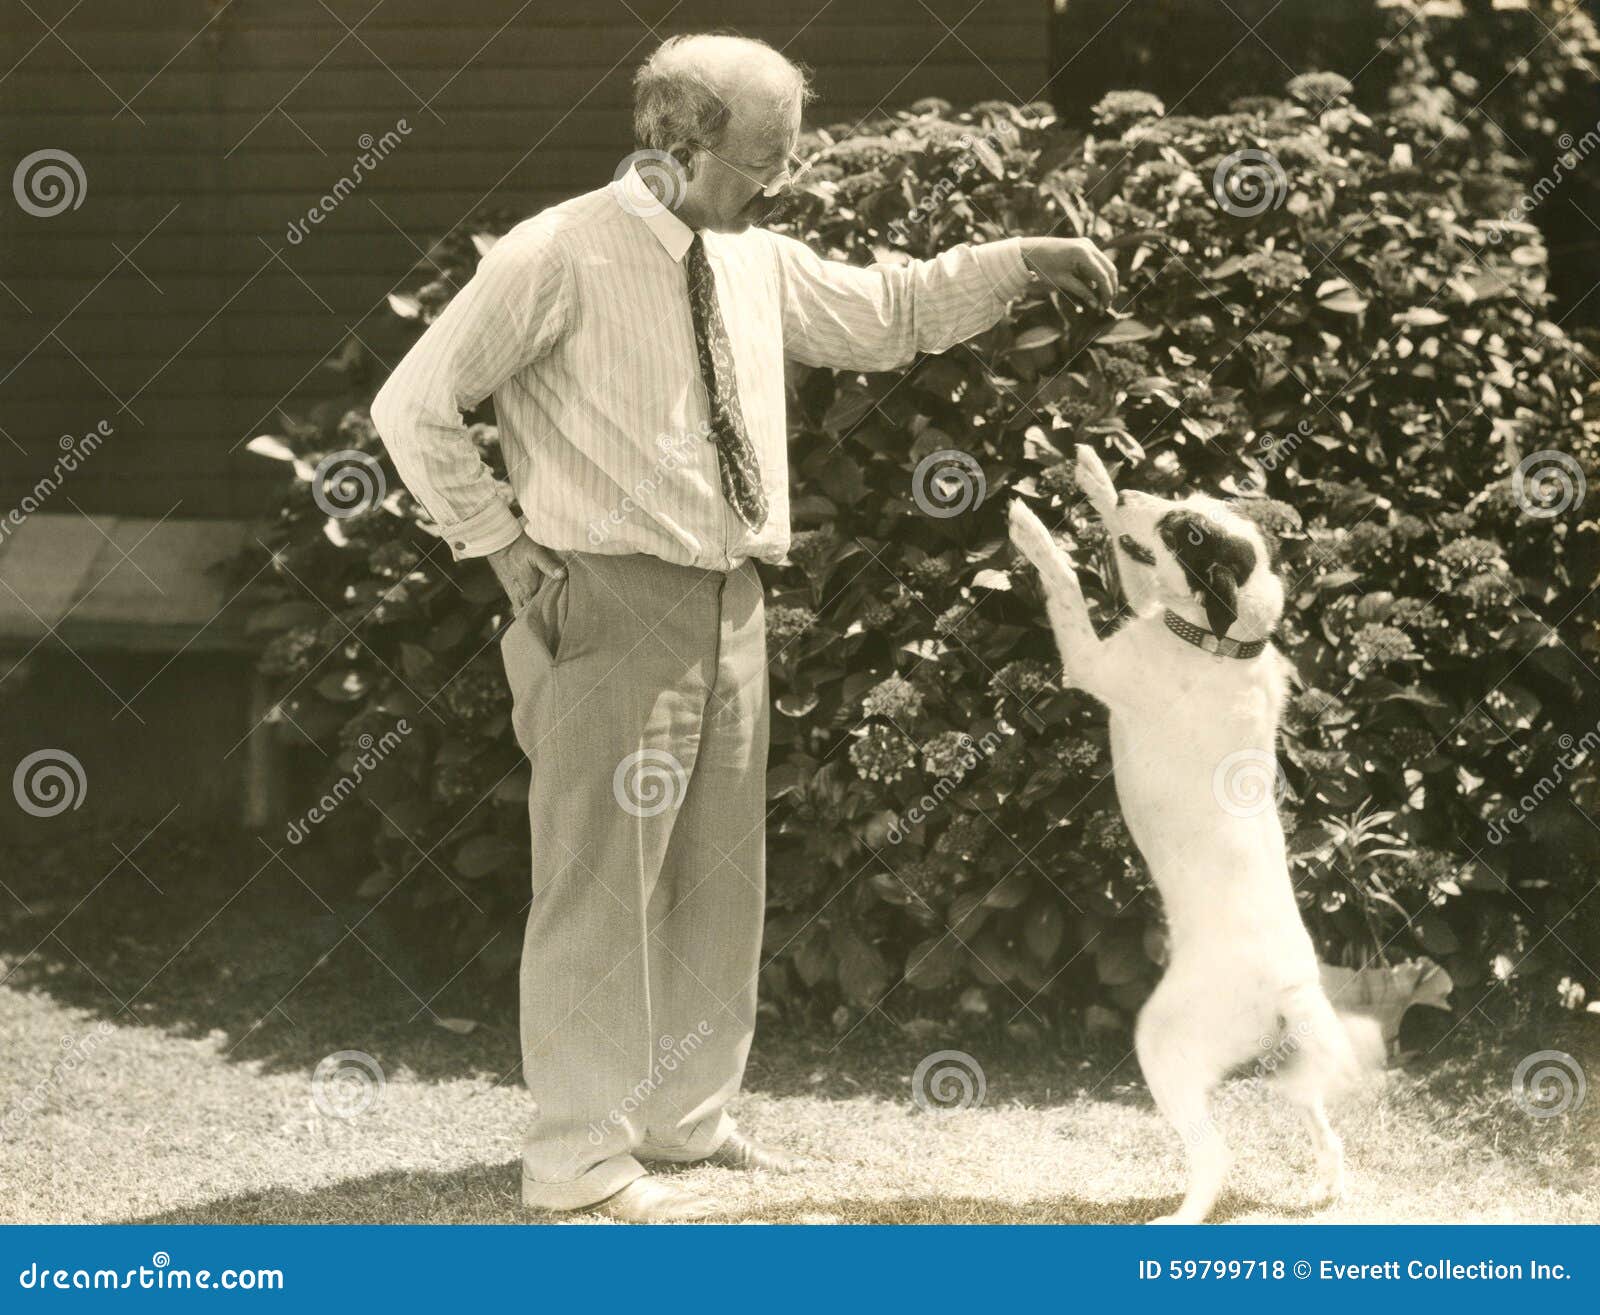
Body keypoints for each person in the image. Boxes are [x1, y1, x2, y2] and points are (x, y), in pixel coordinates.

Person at [370, 32, 1118, 1223]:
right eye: (762, 157)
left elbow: (887, 314)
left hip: (732, 598)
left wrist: (1021, 258)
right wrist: (508, 552)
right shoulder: (555, 251)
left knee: (720, 878)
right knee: (601, 887)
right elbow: (412, 406)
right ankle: (576, 1164)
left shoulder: (753, 254)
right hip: (606, 596)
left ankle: (683, 1120)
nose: (780, 179)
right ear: (676, 139)